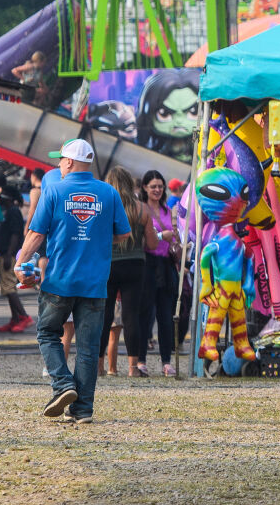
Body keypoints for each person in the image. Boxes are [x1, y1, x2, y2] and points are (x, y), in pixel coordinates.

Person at [16, 139, 129, 424]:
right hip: (95, 283)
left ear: (68, 162)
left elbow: (36, 234)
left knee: (46, 333)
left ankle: (63, 384)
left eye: (60, 161)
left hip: (59, 281)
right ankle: (82, 410)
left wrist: (20, 262)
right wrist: (97, 238)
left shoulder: (53, 191)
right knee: (89, 348)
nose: (57, 166)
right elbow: (123, 235)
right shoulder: (109, 193)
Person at [100, 166, 154, 377]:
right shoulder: (141, 209)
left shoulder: (103, 208)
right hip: (134, 264)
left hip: (108, 264)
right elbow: (151, 243)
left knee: (104, 315)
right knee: (132, 316)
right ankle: (133, 368)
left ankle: (99, 366)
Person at [138, 170, 181, 377]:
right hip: (147, 264)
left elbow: (175, 235)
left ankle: (166, 361)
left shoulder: (168, 209)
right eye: (153, 186)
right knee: (145, 314)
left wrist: (176, 240)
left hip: (165, 265)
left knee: (165, 315)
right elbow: (138, 238)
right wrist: (160, 235)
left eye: (160, 186)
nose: (157, 190)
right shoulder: (141, 209)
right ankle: (140, 360)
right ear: (145, 187)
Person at [0, 174, 32, 333]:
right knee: (7, 289)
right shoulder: (9, 211)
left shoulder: (14, 211)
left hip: (9, 255)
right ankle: (14, 318)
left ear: (6, 198)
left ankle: (24, 316)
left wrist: (9, 254)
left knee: (9, 288)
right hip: (4, 254)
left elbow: (16, 234)